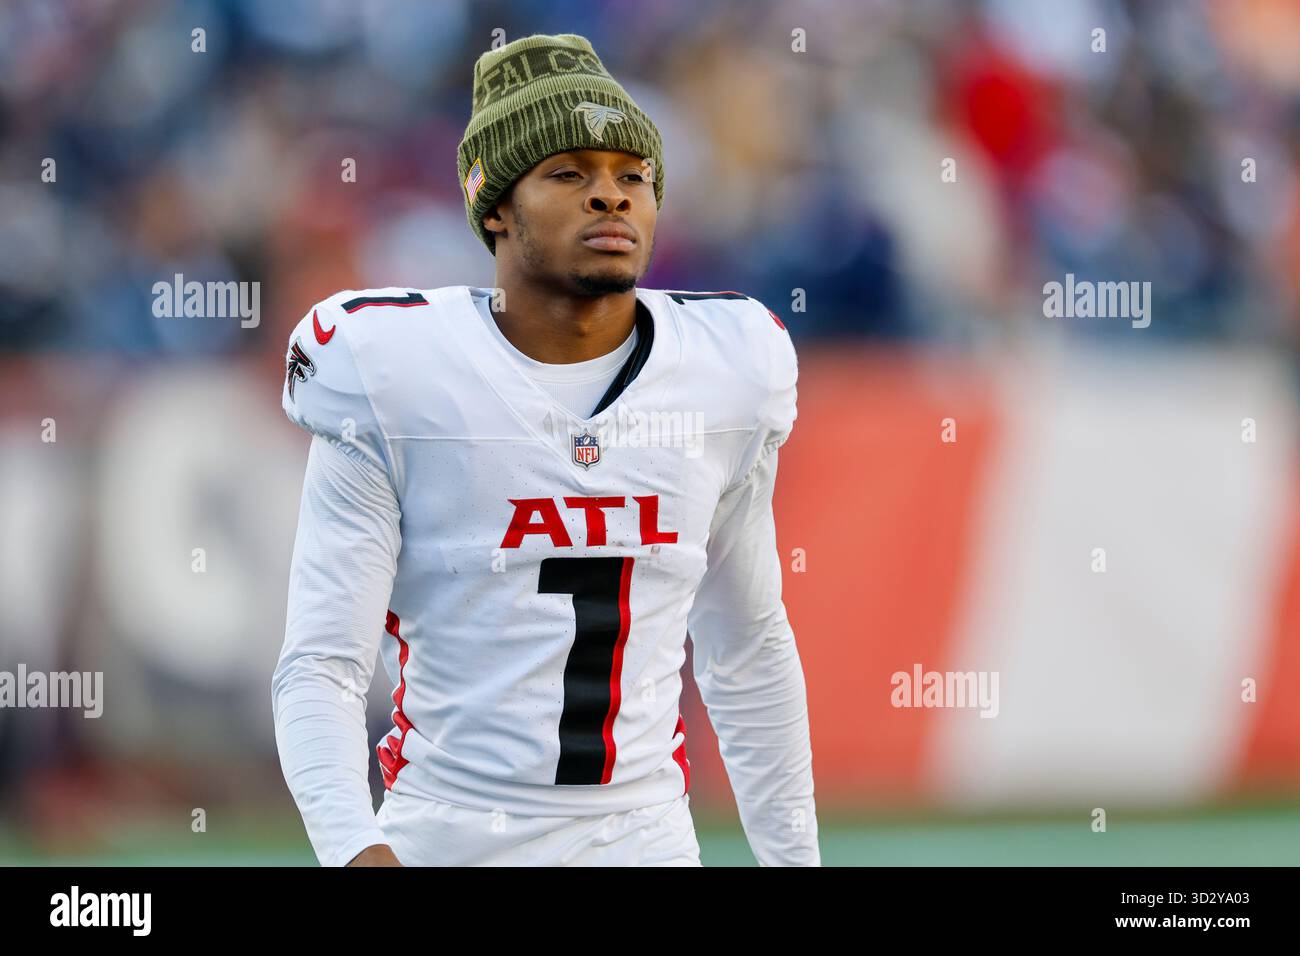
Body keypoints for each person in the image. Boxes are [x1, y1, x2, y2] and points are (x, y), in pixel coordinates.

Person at [272, 32, 819, 866]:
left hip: (645, 841)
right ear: (495, 205)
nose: (611, 198)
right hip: (446, 839)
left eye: (632, 176)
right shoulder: (395, 375)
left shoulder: (725, 371)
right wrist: (356, 850)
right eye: (569, 174)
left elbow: (747, 648)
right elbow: (321, 665)